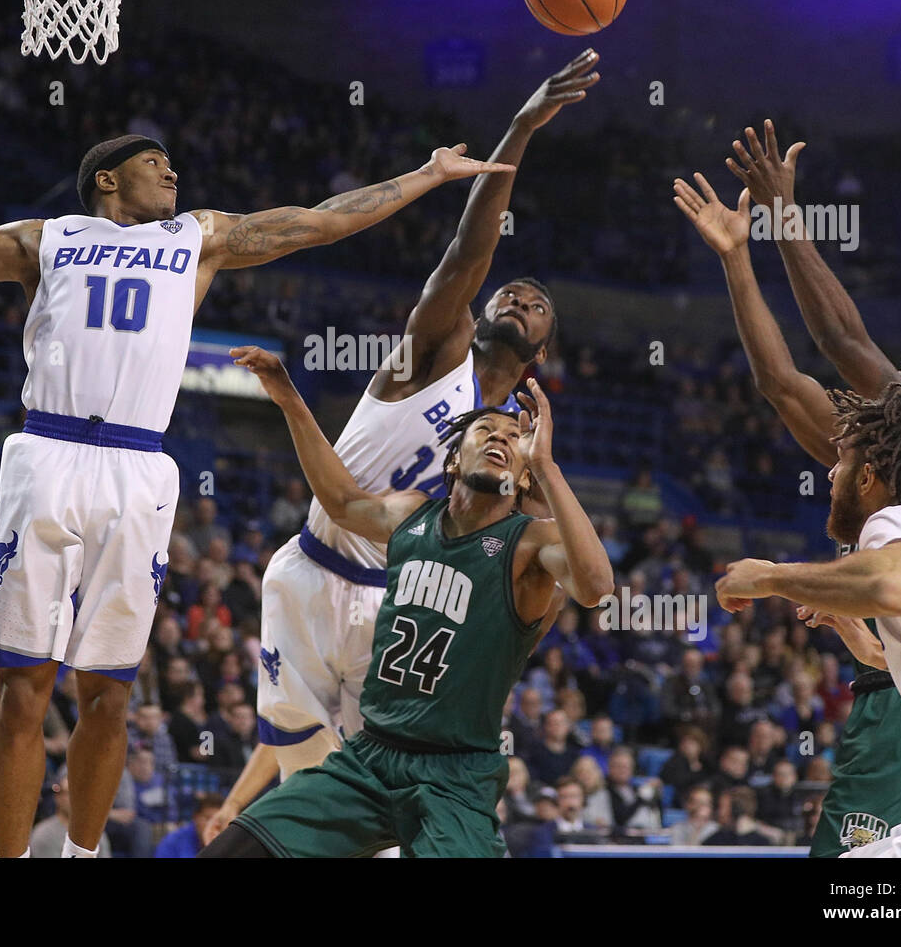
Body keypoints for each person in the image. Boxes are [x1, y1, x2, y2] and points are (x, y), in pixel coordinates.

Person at [0, 128, 513, 860]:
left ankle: (78, 852)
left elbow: (317, 223)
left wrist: (426, 175)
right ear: (108, 179)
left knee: (109, 691)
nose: (172, 172)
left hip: (140, 468)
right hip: (49, 451)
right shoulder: (48, 239)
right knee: (23, 686)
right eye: (154, 163)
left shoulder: (197, 237)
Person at [207, 55, 600, 841]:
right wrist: (519, 131)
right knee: (307, 795)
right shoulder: (433, 354)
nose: (519, 297)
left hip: (399, 608)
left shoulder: (515, 445)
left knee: (372, 815)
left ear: (543, 351)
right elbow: (468, 253)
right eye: (509, 294)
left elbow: (545, 580)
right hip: (314, 573)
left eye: (538, 305)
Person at [676, 122, 901, 856]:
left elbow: (844, 343)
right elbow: (782, 386)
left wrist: (785, 211)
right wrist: (735, 260)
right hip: (894, 694)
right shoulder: (884, 456)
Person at [201, 350, 612, 857]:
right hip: (370, 758)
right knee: (232, 851)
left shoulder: (530, 545)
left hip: (454, 777)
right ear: (456, 458)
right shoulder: (413, 516)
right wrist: (289, 398)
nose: (502, 438)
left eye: (514, 437)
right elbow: (341, 501)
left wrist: (546, 465)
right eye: (486, 429)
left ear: (524, 477)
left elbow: (595, 586)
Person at [717, 384, 901, 857]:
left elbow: (889, 587)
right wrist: (865, 643)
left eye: (841, 460)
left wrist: (770, 576)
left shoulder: (898, 520)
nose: (831, 473)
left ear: (869, 475)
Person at [155, 794, 224, 858]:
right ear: (195, 817)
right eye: (207, 818)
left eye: (218, 820)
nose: (212, 825)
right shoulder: (172, 842)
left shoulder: (228, 841)